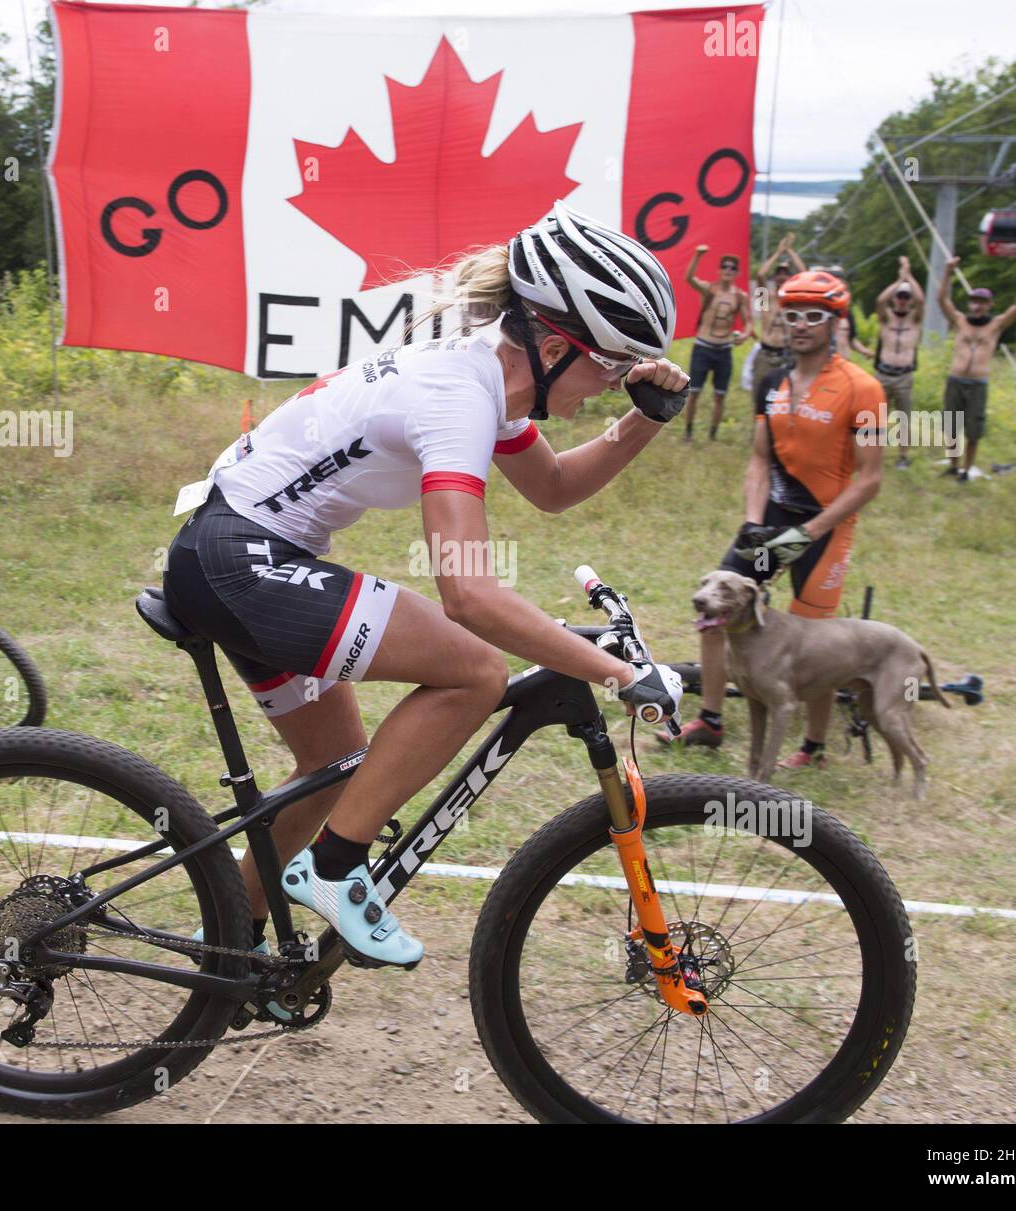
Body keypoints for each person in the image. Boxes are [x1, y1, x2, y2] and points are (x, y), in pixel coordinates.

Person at [162, 201, 688, 968]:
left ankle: (232, 957)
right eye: (609, 366)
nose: (611, 385)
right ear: (549, 344)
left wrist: (647, 417)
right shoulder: (457, 394)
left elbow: (554, 486)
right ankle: (337, 869)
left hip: (234, 551)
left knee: (332, 771)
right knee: (474, 669)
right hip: (239, 559)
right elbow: (468, 594)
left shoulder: (482, 378)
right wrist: (617, 671)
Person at [660, 270, 886, 771]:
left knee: (818, 634)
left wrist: (811, 532)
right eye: (793, 315)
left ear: (834, 323)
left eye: (815, 316)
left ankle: (814, 748)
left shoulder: (862, 387)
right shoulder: (772, 382)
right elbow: (760, 460)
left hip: (824, 526)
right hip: (772, 521)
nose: (801, 325)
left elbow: (870, 480)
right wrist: (752, 521)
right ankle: (712, 719)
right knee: (715, 611)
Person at [938, 257, 1016, 482]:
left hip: (978, 384)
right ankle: (953, 465)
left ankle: (966, 470)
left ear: (989, 304)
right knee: (952, 427)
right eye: (974, 301)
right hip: (956, 379)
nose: (977, 305)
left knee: (973, 431)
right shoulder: (960, 321)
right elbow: (942, 300)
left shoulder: (995, 324)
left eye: (981, 302)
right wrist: (948, 272)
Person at [682, 246, 754, 442]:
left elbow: (749, 321)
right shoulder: (709, 289)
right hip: (703, 347)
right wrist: (697, 255)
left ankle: (712, 435)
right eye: (724, 267)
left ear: (737, 272)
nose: (728, 270)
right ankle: (688, 432)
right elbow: (688, 278)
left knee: (719, 395)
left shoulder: (740, 296)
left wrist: (745, 335)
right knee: (694, 392)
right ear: (719, 270)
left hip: (724, 350)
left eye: (732, 268)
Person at [873, 256, 925, 468]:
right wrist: (898, 281)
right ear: (895, 298)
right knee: (877, 416)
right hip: (883, 373)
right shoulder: (886, 318)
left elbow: (921, 300)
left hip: (904, 375)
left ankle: (903, 456)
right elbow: (879, 301)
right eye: (899, 296)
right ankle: (874, 455)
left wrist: (908, 274)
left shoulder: (915, 319)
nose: (902, 300)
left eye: (906, 296)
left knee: (904, 417)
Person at [751, 234, 806, 404]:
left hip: (787, 355)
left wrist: (789, 251)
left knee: (786, 399)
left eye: (786, 274)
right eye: (779, 274)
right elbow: (760, 274)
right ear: (774, 278)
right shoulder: (764, 301)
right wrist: (778, 253)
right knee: (760, 398)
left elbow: (804, 274)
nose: (782, 276)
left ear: (790, 279)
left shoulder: (794, 303)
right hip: (766, 354)